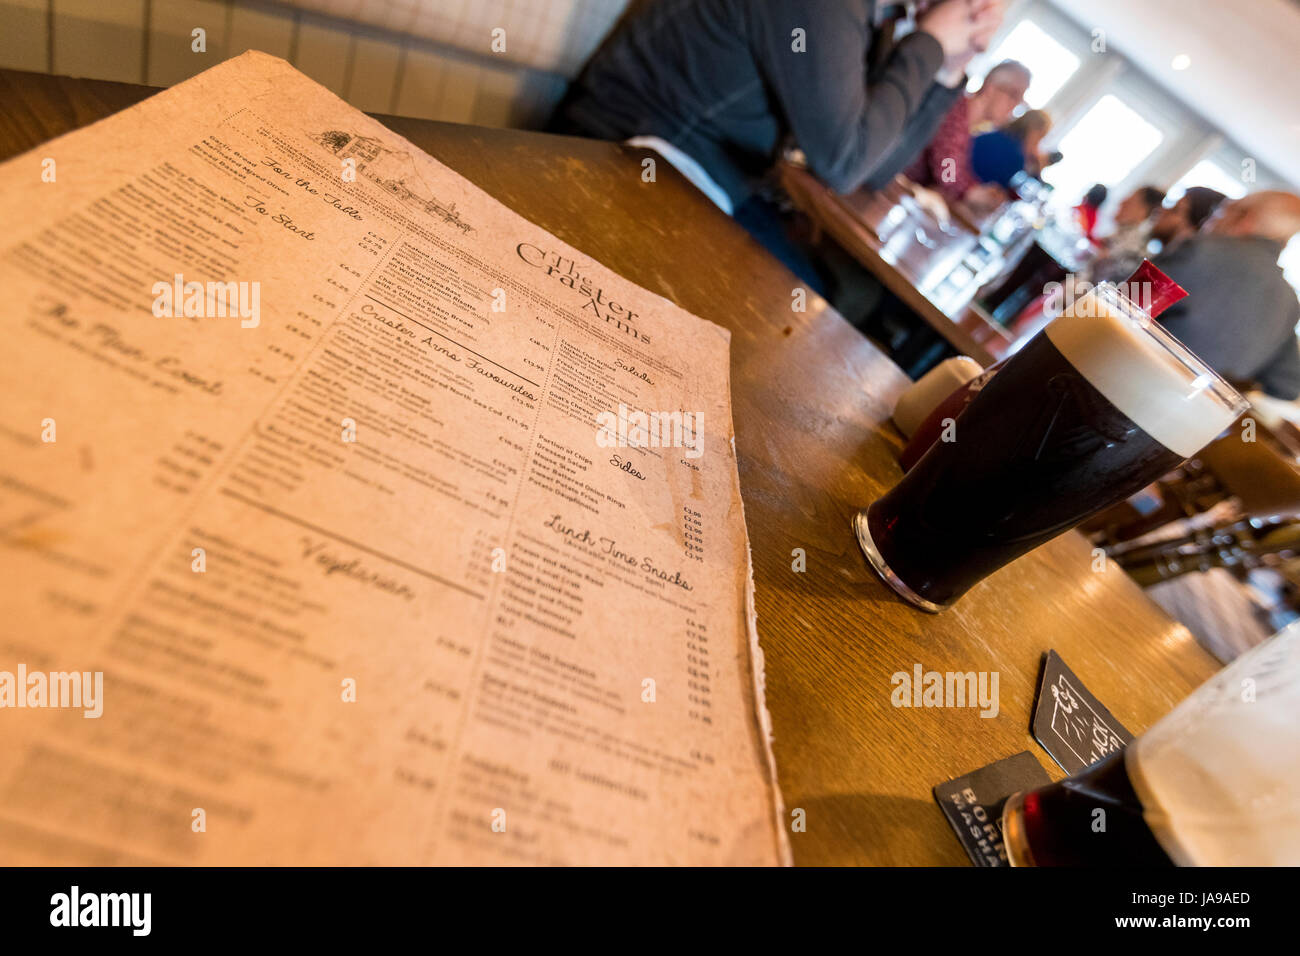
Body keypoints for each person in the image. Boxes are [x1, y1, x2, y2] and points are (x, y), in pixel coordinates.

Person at [552, 0, 1005, 290]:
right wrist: (927, 44)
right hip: (630, 153)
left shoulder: (874, 16)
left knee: (821, 291)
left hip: (700, 173)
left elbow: (874, 167)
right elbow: (844, 163)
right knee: (810, 296)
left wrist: (947, 68)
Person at [1154, 191, 1300, 400]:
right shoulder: (1290, 304)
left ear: (1244, 218)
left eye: (1220, 210)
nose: (1210, 220)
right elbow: (1287, 386)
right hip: (1188, 422)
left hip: (1114, 397)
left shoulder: (1201, 249)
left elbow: (1118, 305)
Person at [900, 59, 1031, 209]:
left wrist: (977, 190)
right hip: (888, 191)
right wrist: (971, 191)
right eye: (1014, 96)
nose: (1015, 106)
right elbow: (947, 168)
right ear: (991, 89)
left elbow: (955, 167)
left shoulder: (968, 124)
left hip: (904, 198)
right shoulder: (955, 109)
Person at [1084, 185, 1165, 284]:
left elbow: (1095, 282)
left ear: (1142, 212)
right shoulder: (1118, 235)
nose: (1122, 202)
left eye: (1130, 200)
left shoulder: (1132, 248)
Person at [969, 109, 1051, 188]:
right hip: (966, 186)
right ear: (1033, 132)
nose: (1038, 142)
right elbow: (1001, 190)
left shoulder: (999, 132)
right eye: (1040, 137)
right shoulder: (1016, 158)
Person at [1150, 185, 1227, 253]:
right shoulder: (1164, 261)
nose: (1163, 210)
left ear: (1191, 230)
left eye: (1175, 211)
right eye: (1172, 204)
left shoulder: (1176, 266)